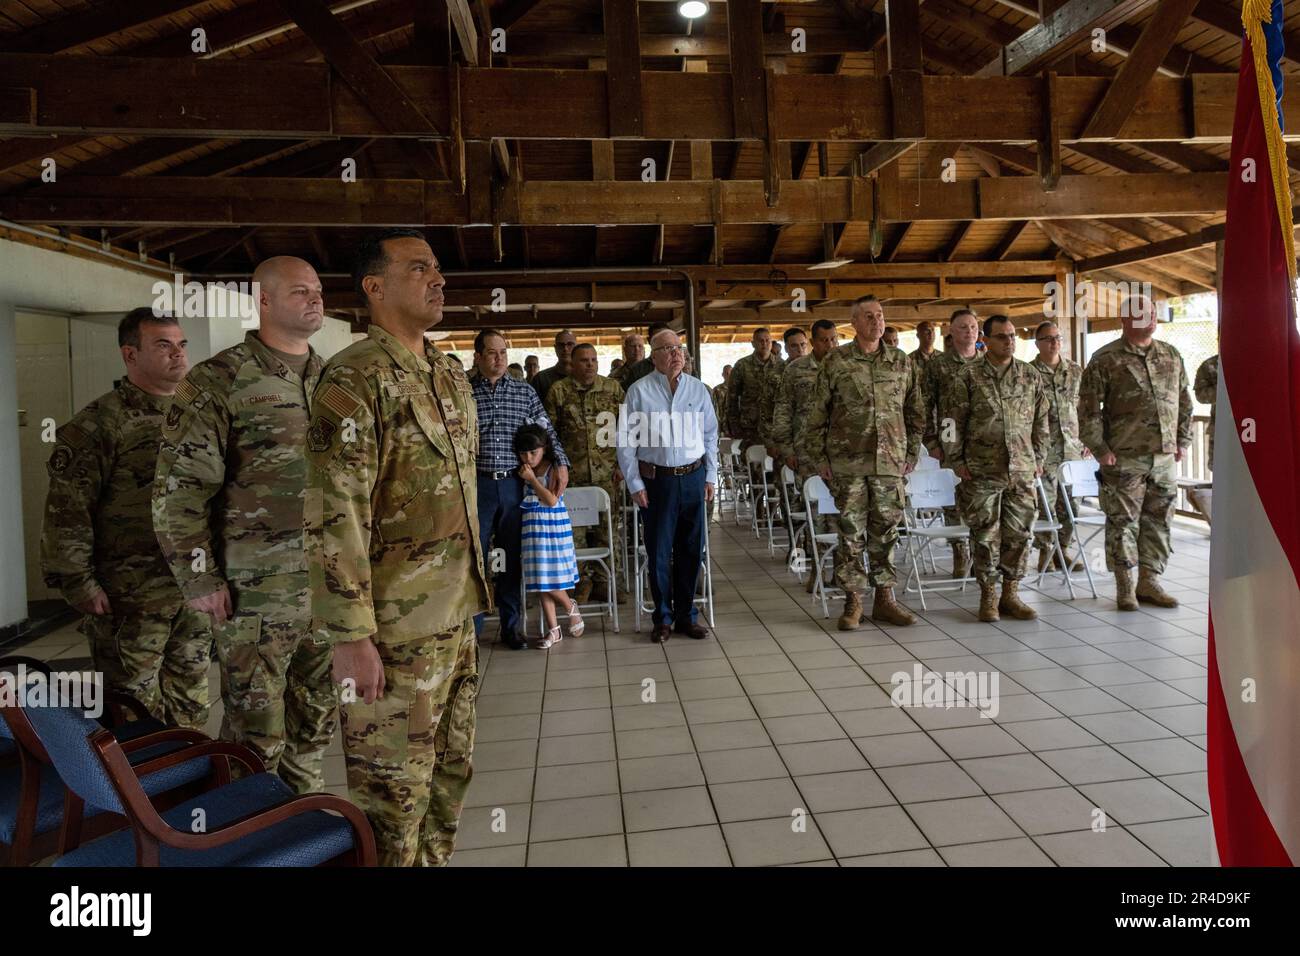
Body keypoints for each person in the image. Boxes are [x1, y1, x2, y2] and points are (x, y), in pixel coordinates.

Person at [305, 228, 489, 867]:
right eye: (420, 269)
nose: (438, 279)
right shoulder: (354, 378)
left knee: (448, 777)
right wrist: (351, 637)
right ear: (375, 288)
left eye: (437, 268)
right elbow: (335, 515)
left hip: (455, 615)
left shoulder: (445, 371)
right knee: (392, 800)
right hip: (391, 630)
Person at [154, 256, 335, 791]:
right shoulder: (220, 379)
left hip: (328, 589)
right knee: (256, 733)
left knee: (317, 720)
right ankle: (247, 828)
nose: (315, 299)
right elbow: (179, 488)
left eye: (319, 290)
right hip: (254, 590)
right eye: (301, 291)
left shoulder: (333, 379)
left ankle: (302, 824)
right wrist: (199, 578)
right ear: (263, 300)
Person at [41, 307, 210, 729]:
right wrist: (78, 582)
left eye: (182, 345)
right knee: (132, 705)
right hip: (130, 593)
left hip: (192, 588)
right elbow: (68, 510)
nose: (178, 355)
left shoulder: (198, 416)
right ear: (130, 355)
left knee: (191, 696)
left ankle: (189, 783)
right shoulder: (99, 424)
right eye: (163, 345)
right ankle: (135, 791)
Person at [805, 295, 924, 630]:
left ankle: (885, 600)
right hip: (848, 463)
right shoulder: (836, 362)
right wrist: (819, 457)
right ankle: (853, 601)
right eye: (869, 316)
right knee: (851, 533)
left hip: (889, 463)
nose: (876, 321)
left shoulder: (901, 362)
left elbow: (916, 412)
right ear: (854, 323)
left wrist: (911, 452)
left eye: (880, 315)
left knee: (885, 532)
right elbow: (817, 414)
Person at [1078, 299, 1192, 611]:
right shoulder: (1106, 358)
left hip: (1164, 457)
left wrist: (1183, 439)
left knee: (1159, 520)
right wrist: (1100, 448)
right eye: (1142, 314)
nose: (1150, 319)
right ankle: (1125, 586)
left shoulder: (1170, 354)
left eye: (1153, 314)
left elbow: (1184, 400)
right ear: (1125, 319)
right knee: (1123, 521)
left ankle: (1150, 580)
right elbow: (1088, 409)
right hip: (1124, 457)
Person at [943, 315, 1049, 623]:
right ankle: (988, 595)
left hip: (1022, 469)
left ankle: (1010, 594)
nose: (1009, 341)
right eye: (1001, 336)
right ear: (985, 341)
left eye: (1013, 335)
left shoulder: (1029, 375)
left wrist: (1038, 458)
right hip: (981, 469)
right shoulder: (968, 376)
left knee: (1020, 534)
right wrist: (957, 461)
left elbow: (1042, 421)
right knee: (986, 534)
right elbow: (950, 424)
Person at [616, 328, 719, 643]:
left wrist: (711, 476)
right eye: (667, 348)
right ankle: (662, 618)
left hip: (692, 478)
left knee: (691, 549)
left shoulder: (698, 390)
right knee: (659, 551)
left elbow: (710, 436)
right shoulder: (638, 391)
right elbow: (625, 441)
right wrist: (634, 483)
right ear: (654, 355)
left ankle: (687, 616)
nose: (676, 353)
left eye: (679, 347)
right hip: (656, 481)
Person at [472, 328, 569, 649]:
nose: (499, 359)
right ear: (477, 357)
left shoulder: (524, 392)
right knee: (476, 559)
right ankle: (471, 630)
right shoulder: (464, 392)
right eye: (491, 353)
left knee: (511, 558)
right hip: (478, 487)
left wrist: (561, 462)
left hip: (515, 487)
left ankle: (512, 628)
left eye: (503, 352)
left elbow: (546, 431)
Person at [545, 343, 623, 604]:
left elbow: (627, 429)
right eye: (583, 360)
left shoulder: (612, 389)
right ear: (572, 364)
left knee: (609, 532)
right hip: (573, 477)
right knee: (573, 535)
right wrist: (556, 466)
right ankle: (579, 583)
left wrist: (624, 465)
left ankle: (607, 582)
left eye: (593, 360)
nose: (589, 364)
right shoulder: (559, 391)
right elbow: (549, 434)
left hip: (607, 475)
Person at [771, 319, 839, 592]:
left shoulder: (846, 366)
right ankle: (817, 568)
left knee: (841, 514)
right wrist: (786, 449)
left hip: (842, 454)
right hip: (808, 453)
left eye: (834, 339)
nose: (831, 345)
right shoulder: (797, 370)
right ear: (814, 341)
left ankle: (842, 570)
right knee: (815, 513)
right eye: (825, 340)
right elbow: (783, 410)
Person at [923, 308, 981, 577]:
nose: (969, 331)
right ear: (951, 332)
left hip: (984, 444)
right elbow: (924, 405)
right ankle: (960, 553)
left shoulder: (988, 362)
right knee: (954, 499)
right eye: (962, 327)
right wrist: (931, 440)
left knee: (982, 501)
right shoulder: (938, 365)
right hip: (949, 439)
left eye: (972, 326)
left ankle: (982, 554)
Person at [515, 424, 584, 649]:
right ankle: (553, 630)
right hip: (532, 527)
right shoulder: (524, 466)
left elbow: (552, 500)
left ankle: (570, 606)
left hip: (552, 527)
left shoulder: (553, 467)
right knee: (540, 580)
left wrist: (532, 480)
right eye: (523, 453)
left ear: (544, 448)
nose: (528, 457)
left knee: (550, 576)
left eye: (533, 452)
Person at [1030, 320, 1088, 572]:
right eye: (1048, 338)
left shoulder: (1074, 371)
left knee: (1072, 504)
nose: (1054, 343)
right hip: (1045, 450)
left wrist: (1088, 438)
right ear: (1037, 343)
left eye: (1057, 337)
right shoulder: (1029, 372)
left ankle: (1062, 549)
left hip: (1072, 449)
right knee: (1046, 503)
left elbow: (1086, 408)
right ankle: (1045, 552)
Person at [727, 327, 785, 453]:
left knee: (776, 468)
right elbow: (732, 398)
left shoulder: (782, 366)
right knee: (753, 467)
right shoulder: (742, 366)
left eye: (767, 340)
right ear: (753, 343)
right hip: (750, 428)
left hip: (775, 427)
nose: (764, 344)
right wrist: (734, 427)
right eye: (760, 341)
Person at [530, 329, 577, 404]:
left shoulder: (585, 377)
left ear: (576, 347)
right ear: (555, 348)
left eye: (570, 344)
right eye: (561, 345)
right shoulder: (540, 379)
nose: (565, 349)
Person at [611, 322, 663, 390]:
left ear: (644, 349)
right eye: (632, 346)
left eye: (640, 346)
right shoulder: (614, 375)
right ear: (625, 349)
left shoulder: (656, 369)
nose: (637, 349)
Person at [1194, 354, 1219, 473]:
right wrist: (1227, 388)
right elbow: (1201, 395)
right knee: (1221, 471)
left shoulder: (1265, 359)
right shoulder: (1212, 364)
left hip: (1257, 430)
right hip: (1223, 431)